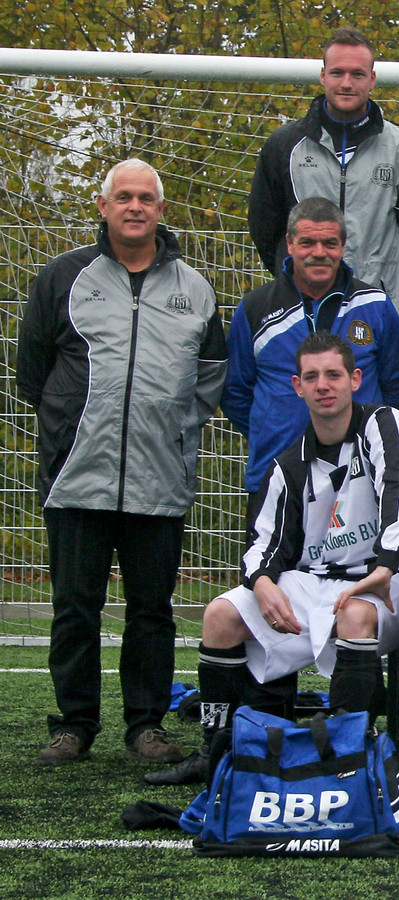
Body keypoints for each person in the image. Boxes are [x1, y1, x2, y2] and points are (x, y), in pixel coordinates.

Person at [18, 158, 227, 766]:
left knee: (152, 612)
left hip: (159, 478)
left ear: (161, 210)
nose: (135, 207)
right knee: (74, 609)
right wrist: (72, 430)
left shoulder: (196, 288)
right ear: (103, 206)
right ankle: (74, 725)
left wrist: (171, 431)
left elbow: (210, 376)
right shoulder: (62, 277)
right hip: (76, 475)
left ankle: (146, 727)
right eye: (124, 197)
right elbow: (33, 372)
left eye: (146, 198)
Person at [147, 332, 399, 785]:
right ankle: (218, 749)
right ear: (297, 386)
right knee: (220, 615)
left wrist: (386, 564)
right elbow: (262, 545)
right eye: (311, 377)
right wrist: (263, 583)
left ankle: (348, 755)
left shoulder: (382, 424)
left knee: (353, 613)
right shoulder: (287, 464)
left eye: (333, 375)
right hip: (315, 582)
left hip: (388, 581)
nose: (323, 385)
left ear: (355, 379)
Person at [222, 197, 399, 496]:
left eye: (330, 243)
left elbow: (397, 386)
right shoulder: (255, 309)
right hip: (276, 473)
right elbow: (235, 391)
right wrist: (274, 427)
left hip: (361, 474)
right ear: (290, 244)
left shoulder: (375, 305)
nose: (319, 253)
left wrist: (367, 435)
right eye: (308, 243)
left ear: (343, 246)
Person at [249, 27, 399, 322]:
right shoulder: (283, 146)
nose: (346, 83)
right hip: (302, 307)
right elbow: (265, 229)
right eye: (337, 73)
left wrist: (380, 272)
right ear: (323, 76)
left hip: (379, 306)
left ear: (372, 79)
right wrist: (300, 274)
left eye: (357, 74)